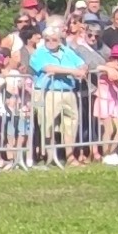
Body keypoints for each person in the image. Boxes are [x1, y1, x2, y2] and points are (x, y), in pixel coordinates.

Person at [28, 19, 86, 166]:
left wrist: (83, 70)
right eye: (47, 39)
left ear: (60, 40)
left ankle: (70, 156)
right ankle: (49, 156)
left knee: (71, 124)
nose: (50, 42)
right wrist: (73, 71)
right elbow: (48, 68)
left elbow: (82, 63)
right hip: (48, 91)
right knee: (48, 125)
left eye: (54, 39)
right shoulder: (38, 53)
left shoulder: (67, 51)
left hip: (67, 91)